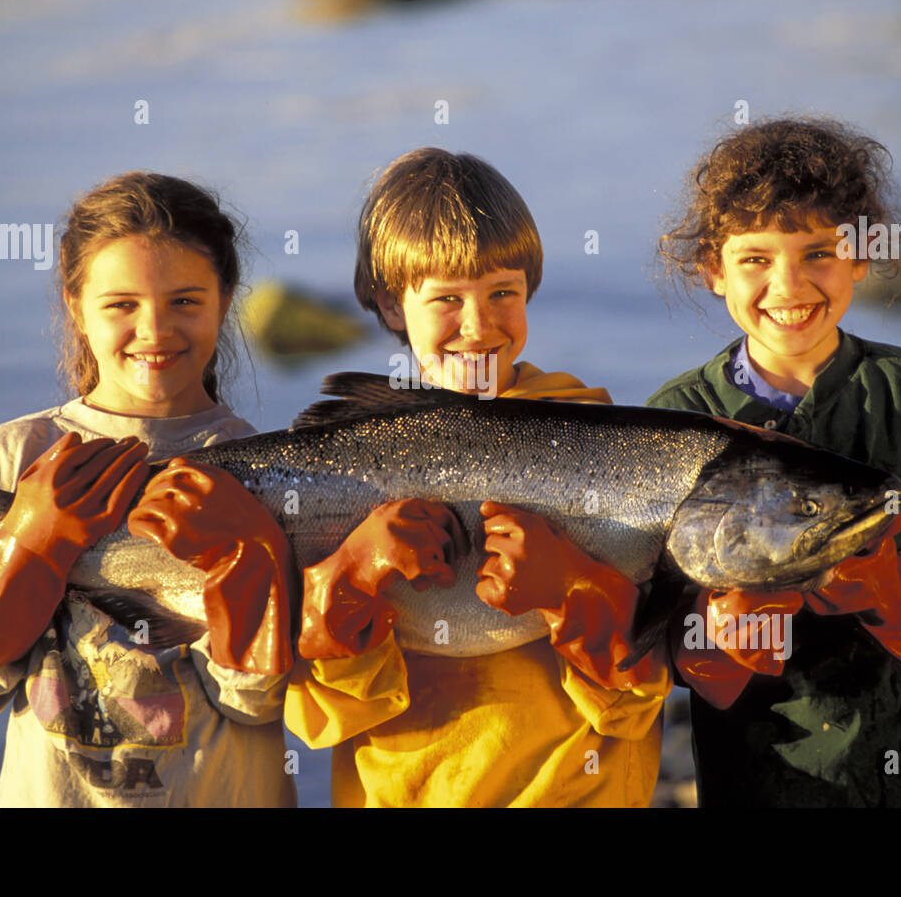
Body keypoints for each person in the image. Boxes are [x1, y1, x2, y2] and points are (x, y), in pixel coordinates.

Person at [647, 118, 901, 806]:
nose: (788, 285)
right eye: (755, 258)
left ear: (861, 255)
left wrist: (896, 586)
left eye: (817, 252)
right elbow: (644, 613)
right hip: (756, 778)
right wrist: (712, 631)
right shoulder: (676, 419)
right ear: (712, 268)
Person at [283, 147, 670, 807]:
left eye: (502, 292)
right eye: (446, 299)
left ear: (530, 290)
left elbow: (636, 695)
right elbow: (325, 713)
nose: (478, 324)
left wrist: (575, 591)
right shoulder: (339, 463)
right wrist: (346, 581)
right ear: (389, 302)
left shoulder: (596, 440)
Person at [0, 171, 297, 807]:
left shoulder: (274, 476)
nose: (154, 331)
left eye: (185, 301)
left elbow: (257, 702)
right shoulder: (6, 460)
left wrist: (250, 556)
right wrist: (26, 545)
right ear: (75, 304)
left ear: (226, 300)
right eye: (122, 304)